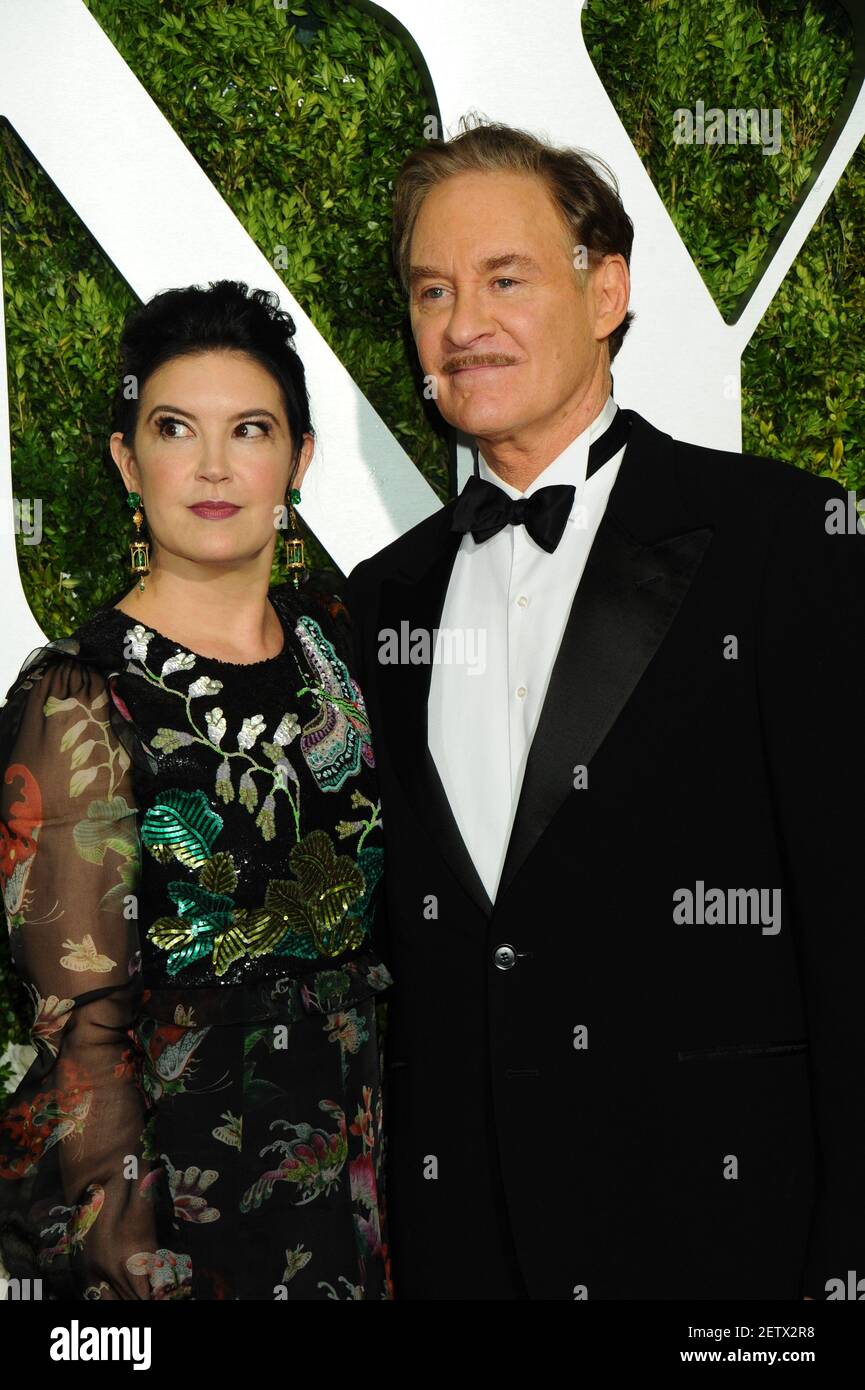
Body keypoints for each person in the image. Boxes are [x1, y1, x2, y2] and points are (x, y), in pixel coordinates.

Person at [342, 119, 865, 1300]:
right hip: (461, 1251)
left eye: (503, 279)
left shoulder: (782, 541)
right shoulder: (382, 600)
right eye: (433, 289)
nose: (462, 322)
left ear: (608, 289)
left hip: (724, 1246)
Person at [0, 281, 393, 1301]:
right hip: (183, 1212)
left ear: (298, 460)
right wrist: (138, 1268)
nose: (215, 467)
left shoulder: (338, 641)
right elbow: (78, 1033)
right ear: (128, 459)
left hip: (365, 1183)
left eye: (250, 429)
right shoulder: (77, 696)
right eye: (175, 428)